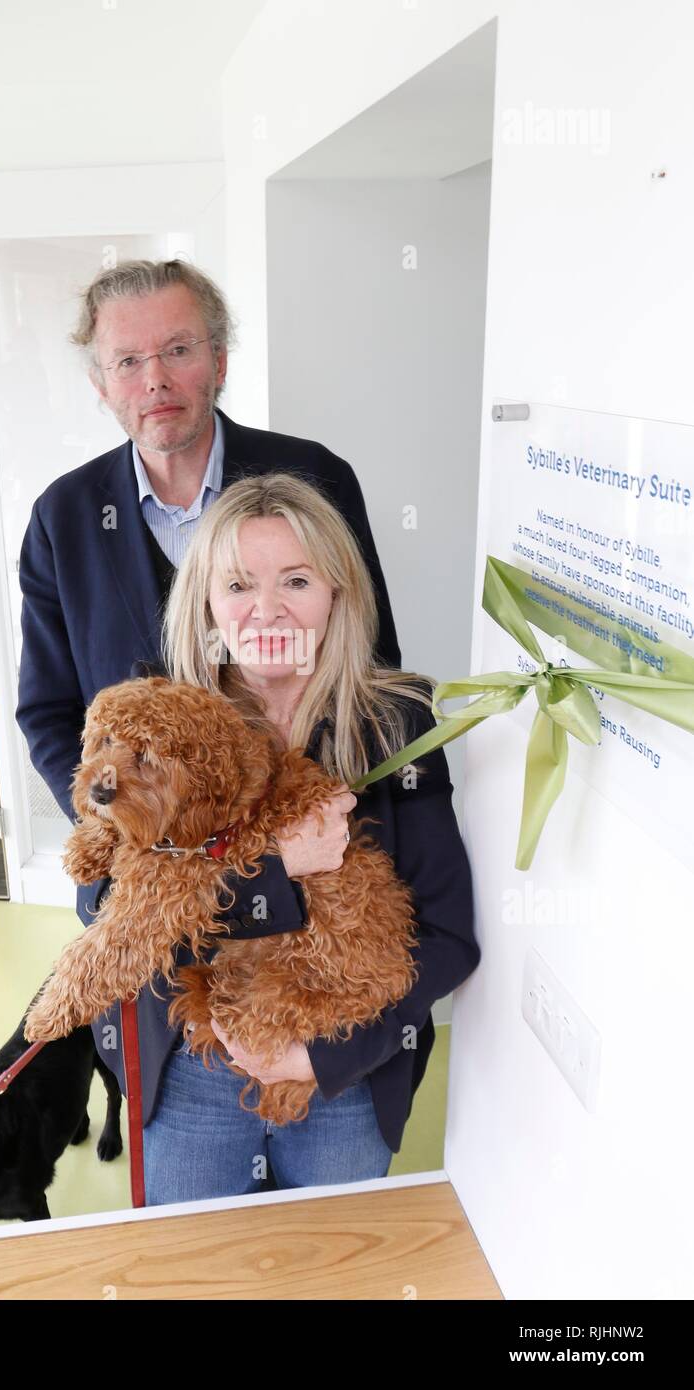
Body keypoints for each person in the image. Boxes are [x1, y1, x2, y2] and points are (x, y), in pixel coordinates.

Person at [15, 258, 404, 1149]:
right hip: (154, 919)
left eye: (179, 349)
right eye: (127, 361)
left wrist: (311, 848)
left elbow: (368, 661)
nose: (154, 380)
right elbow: (48, 712)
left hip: (306, 899)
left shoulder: (312, 477)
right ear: (99, 383)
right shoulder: (65, 517)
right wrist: (121, 837)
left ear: (219, 361)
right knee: (186, 1178)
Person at [132, 470, 479, 1203]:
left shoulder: (396, 726)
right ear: (205, 604)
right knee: (197, 1275)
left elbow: (449, 937)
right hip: (198, 1060)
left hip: (345, 1074)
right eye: (237, 586)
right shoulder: (161, 727)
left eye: (295, 580)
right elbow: (115, 912)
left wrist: (320, 1056)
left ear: (338, 594)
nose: (267, 611)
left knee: (330, 1273)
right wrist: (276, 868)